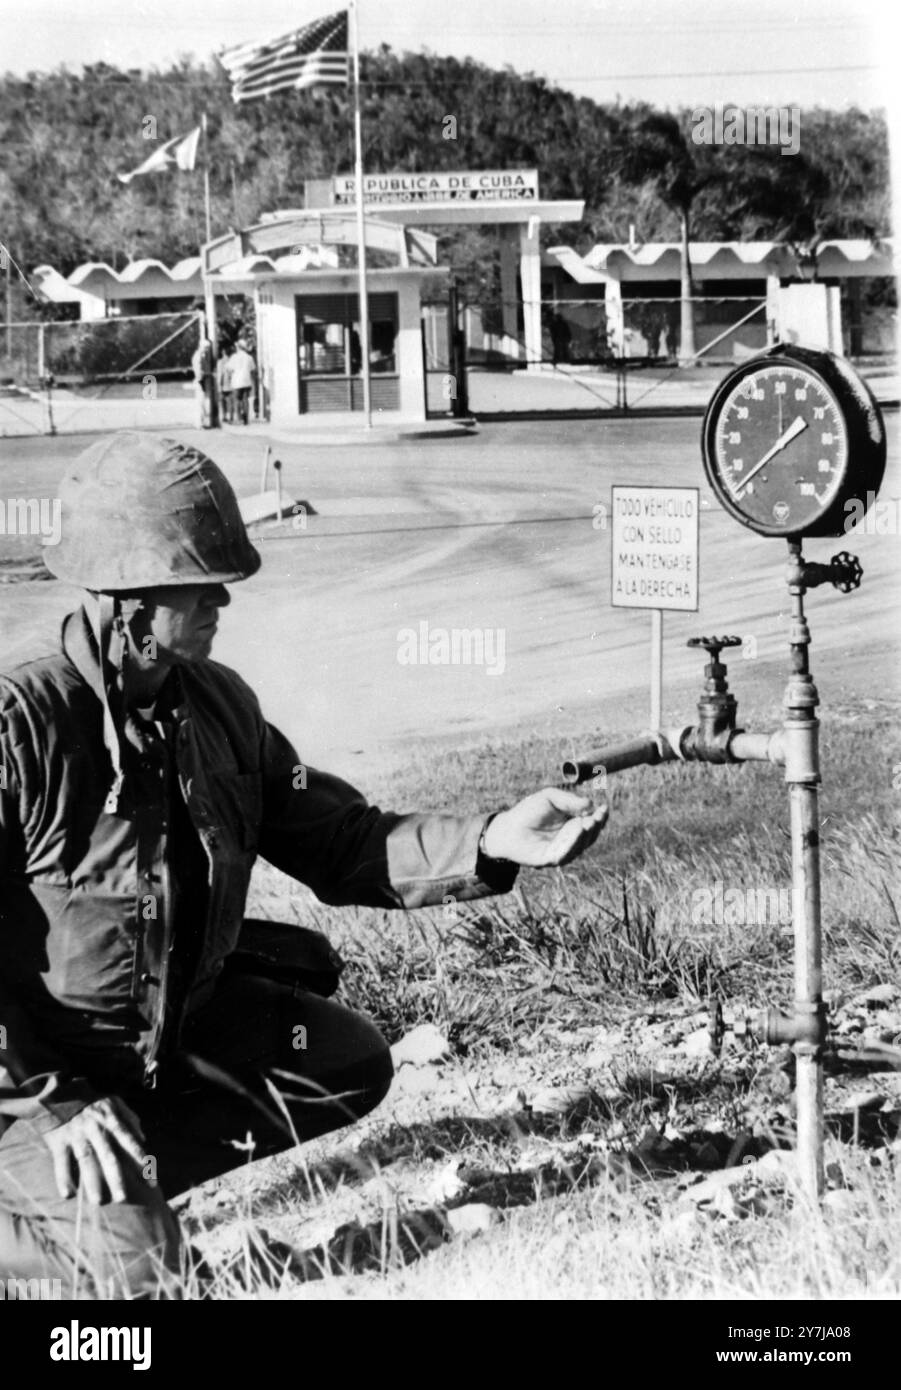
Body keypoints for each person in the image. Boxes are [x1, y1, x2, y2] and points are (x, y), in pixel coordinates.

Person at [0, 433, 607, 1297]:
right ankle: (84, 1215)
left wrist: (493, 835)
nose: (220, 599)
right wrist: (49, 1102)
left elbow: (338, 838)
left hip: (146, 1049)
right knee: (142, 1285)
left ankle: (112, 1200)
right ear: (128, 602)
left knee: (338, 1060)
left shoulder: (219, 706)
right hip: (30, 1076)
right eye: (201, 581)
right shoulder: (22, 728)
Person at [229, 337, 255, 425]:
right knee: (245, 400)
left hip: (236, 381)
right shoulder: (249, 357)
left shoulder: (234, 357)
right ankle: (246, 419)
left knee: (237, 399)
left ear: (238, 347)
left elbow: (229, 368)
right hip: (246, 380)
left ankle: (239, 418)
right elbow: (252, 369)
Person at [190, 335, 214, 428]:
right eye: (207, 348)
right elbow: (199, 372)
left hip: (203, 381)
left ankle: (201, 422)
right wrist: (209, 374)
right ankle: (199, 423)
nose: (208, 349)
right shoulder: (198, 356)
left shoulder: (203, 355)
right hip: (200, 381)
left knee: (202, 403)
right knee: (200, 403)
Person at [216, 346, 234, 424]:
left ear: (222, 353)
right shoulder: (231, 361)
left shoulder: (220, 362)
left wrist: (219, 384)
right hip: (231, 384)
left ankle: (224, 416)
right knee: (230, 401)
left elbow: (220, 374)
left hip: (223, 384)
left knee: (222, 401)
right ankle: (231, 417)